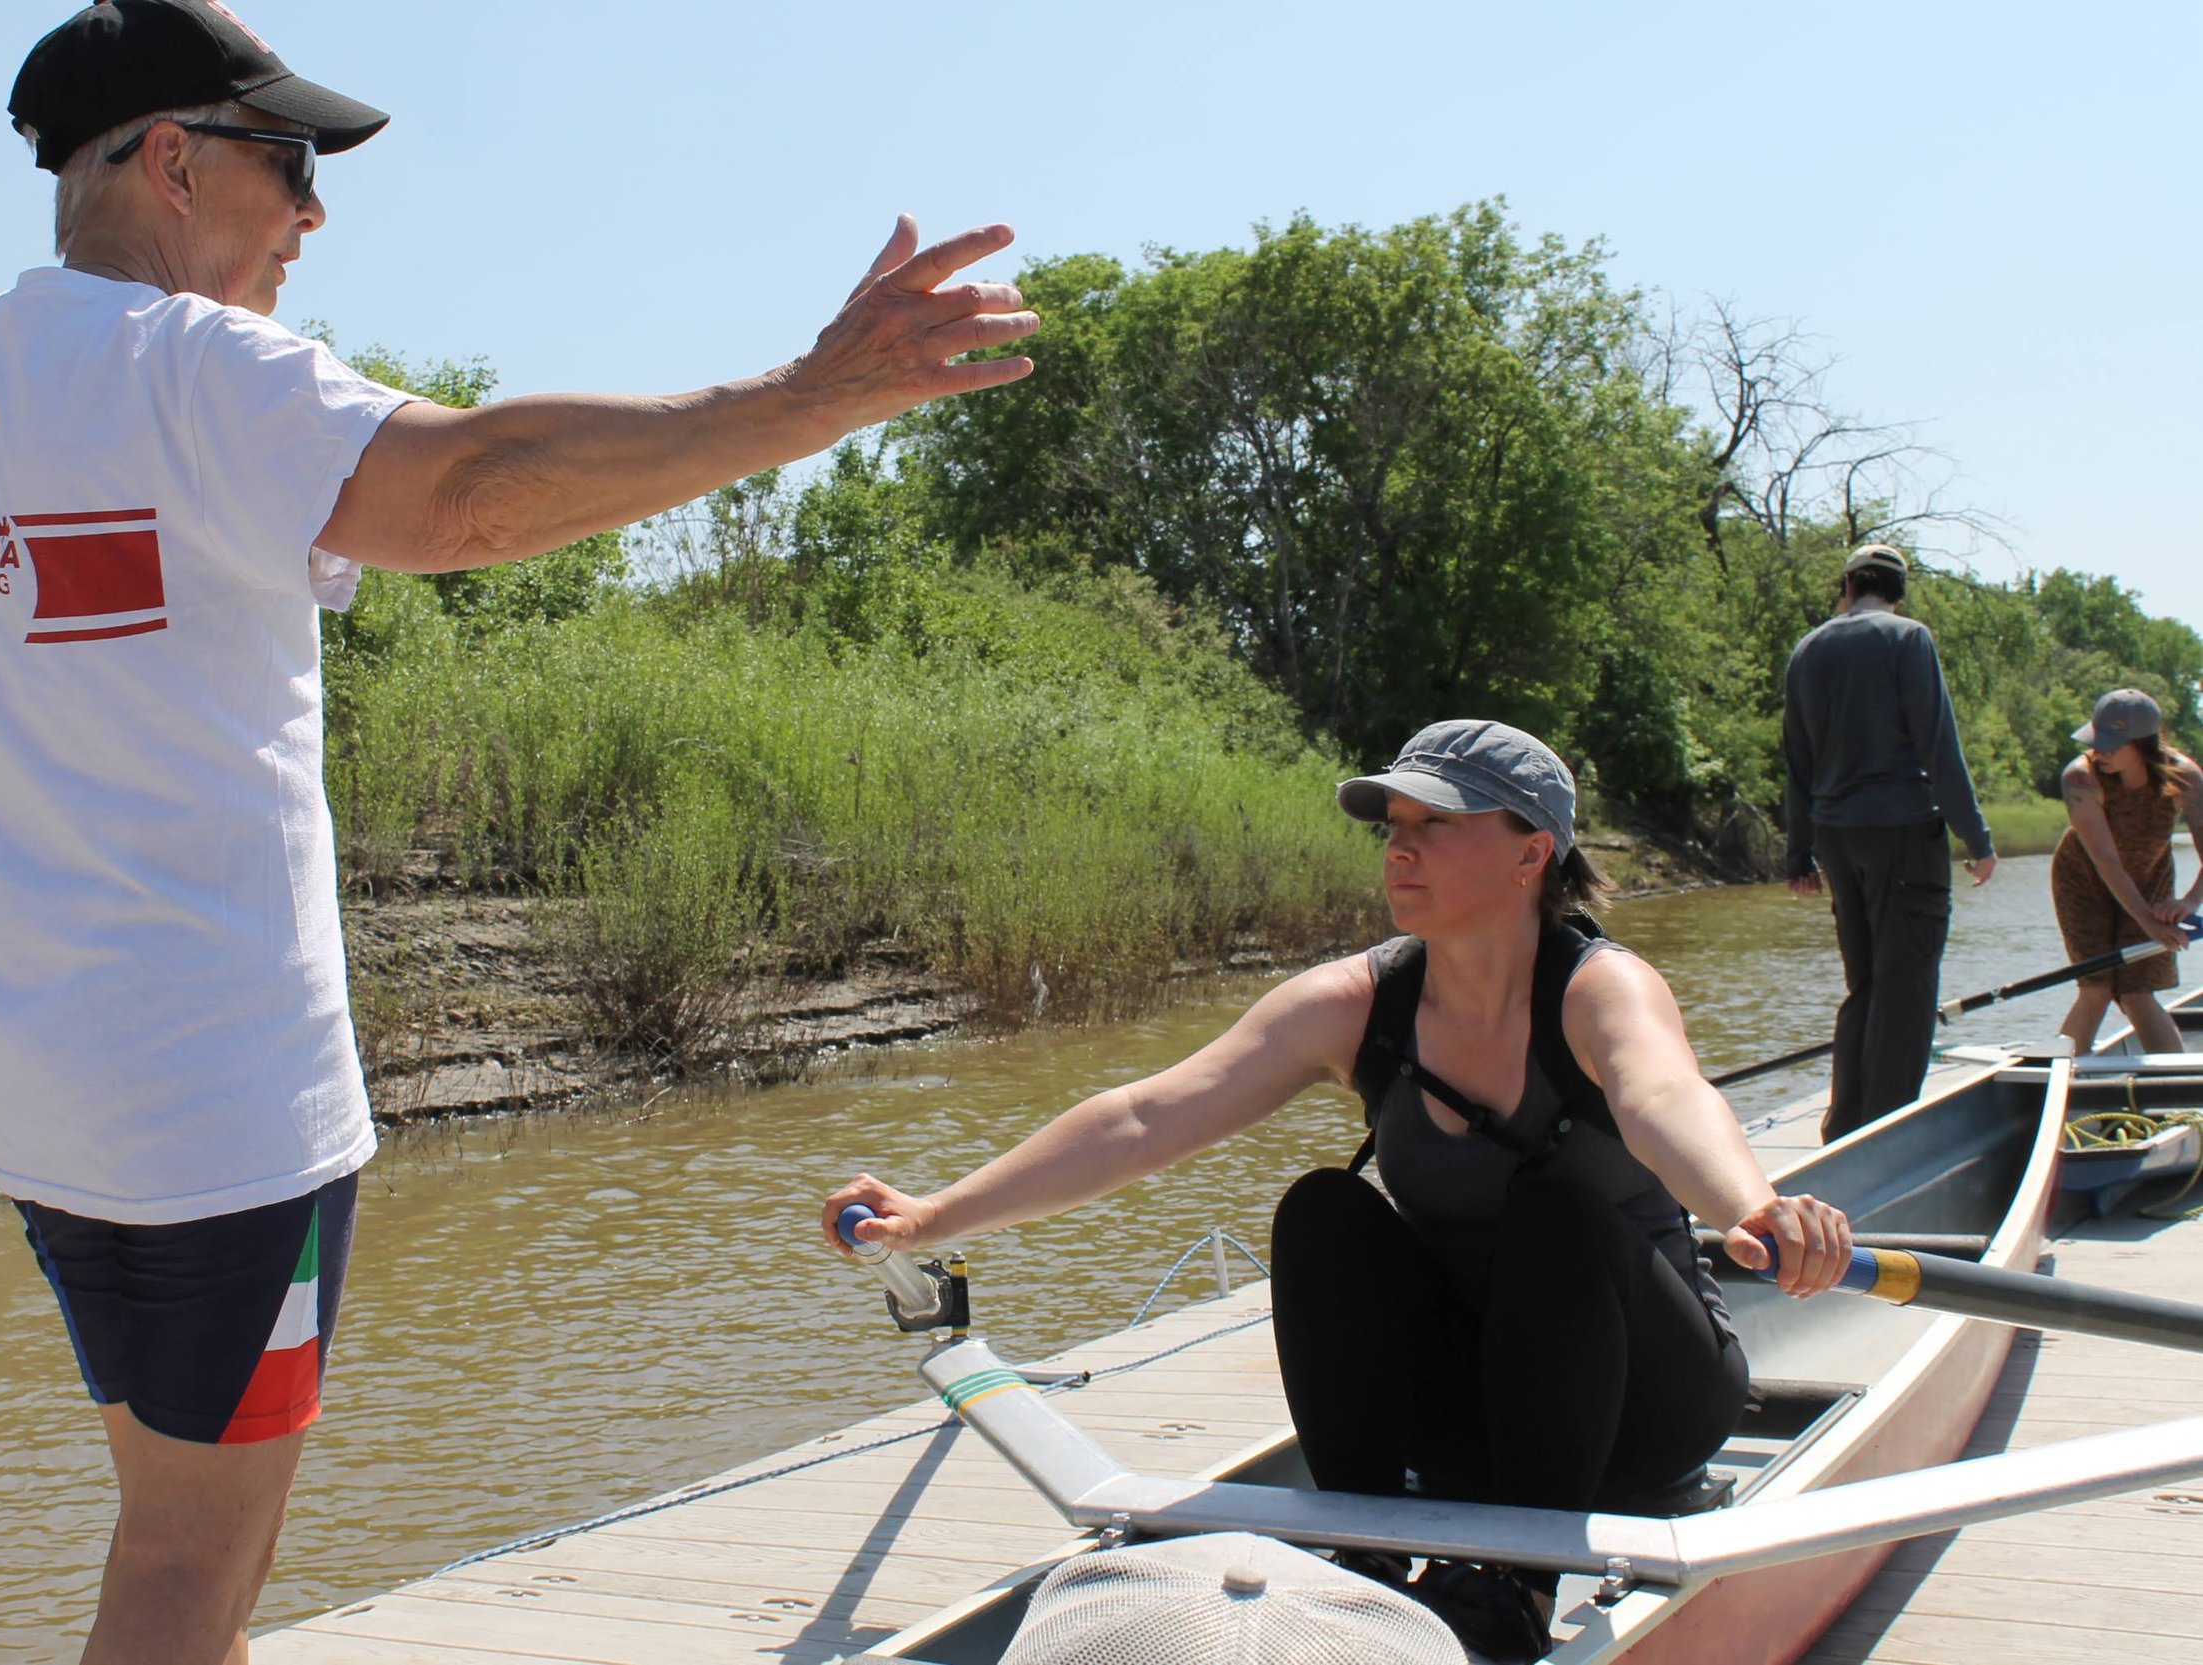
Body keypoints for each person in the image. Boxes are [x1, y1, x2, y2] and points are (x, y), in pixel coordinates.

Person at [0, 3, 1037, 1660]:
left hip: (50, 1107)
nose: (313, 213)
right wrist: (808, 396)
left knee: (173, 1507)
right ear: (172, 161)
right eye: (289, 164)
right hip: (224, 1122)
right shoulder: (196, 371)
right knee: (191, 1562)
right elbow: (475, 490)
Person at [823, 720, 1852, 1664]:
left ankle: (1515, 1590)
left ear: (1531, 851)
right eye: (1393, 826)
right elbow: (1143, 1117)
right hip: (1475, 1420)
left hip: (1645, 1414)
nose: (1399, 849)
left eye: (1435, 825)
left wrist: (1752, 1210)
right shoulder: (1360, 1002)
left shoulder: (1601, 987)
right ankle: (1366, 1555)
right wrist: (931, 1215)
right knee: (1322, 1211)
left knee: (1553, 1212)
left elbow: (1662, 1096)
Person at [1781, 542, 1997, 1139]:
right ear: (1898, 591)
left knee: (1866, 985)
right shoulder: (1908, 638)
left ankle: (1844, 1128)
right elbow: (1938, 744)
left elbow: (1797, 758)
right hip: (1903, 831)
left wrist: (1799, 852)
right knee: (1907, 986)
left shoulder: (1807, 649)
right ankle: (1888, 1131)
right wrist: (1976, 837)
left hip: (1835, 837)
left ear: (1849, 584)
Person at [2051, 690, 2200, 1055]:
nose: (2098, 751)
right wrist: (2147, 921)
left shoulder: (2186, 777)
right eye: (2095, 740)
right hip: (2083, 882)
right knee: (2097, 987)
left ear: (2142, 744)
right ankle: (2058, 1081)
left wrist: (2188, 902)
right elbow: (2106, 860)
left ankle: (2173, 1088)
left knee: (2137, 992)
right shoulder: (2080, 778)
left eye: (2111, 745)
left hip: (2151, 878)